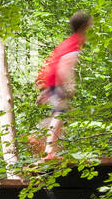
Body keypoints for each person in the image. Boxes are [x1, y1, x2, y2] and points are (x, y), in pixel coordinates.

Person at [36, 11, 90, 159]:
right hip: (56, 80)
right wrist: (68, 85)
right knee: (59, 113)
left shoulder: (70, 41)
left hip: (51, 80)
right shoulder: (74, 43)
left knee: (60, 113)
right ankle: (48, 149)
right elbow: (64, 66)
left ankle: (45, 142)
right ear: (85, 26)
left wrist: (48, 90)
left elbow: (55, 63)